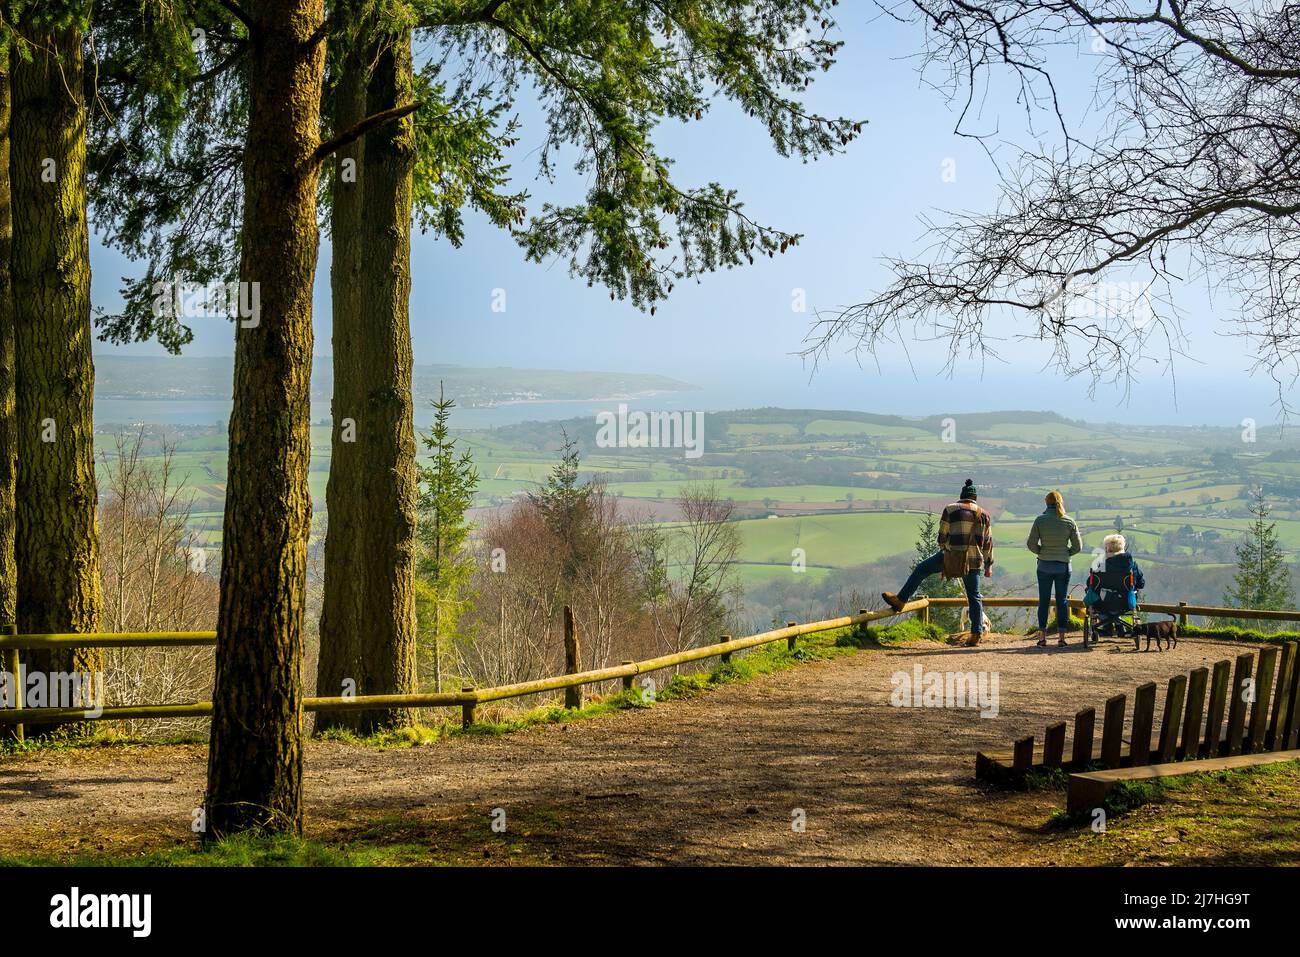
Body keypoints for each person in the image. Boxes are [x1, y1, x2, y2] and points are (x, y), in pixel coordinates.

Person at [882, 479, 992, 639]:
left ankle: (901, 600)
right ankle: (976, 633)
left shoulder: (950, 509)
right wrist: (988, 565)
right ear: (975, 498)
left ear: (961, 496)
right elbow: (988, 543)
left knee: (921, 570)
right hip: (974, 561)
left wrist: (946, 556)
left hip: (950, 556)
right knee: (974, 595)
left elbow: (941, 537)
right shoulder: (985, 515)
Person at [1025, 490, 1083, 647]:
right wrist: (1065, 554)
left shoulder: (1040, 520)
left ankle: (1042, 637)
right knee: (1062, 601)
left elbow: (1030, 544)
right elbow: (1078, 547)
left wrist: (1042, 552)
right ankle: (1062, 638)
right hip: (1063, 566)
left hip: (1044, 565)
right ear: (1061, 502)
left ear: (1046, 502)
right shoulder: (1069, 522)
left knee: (1043, 601)